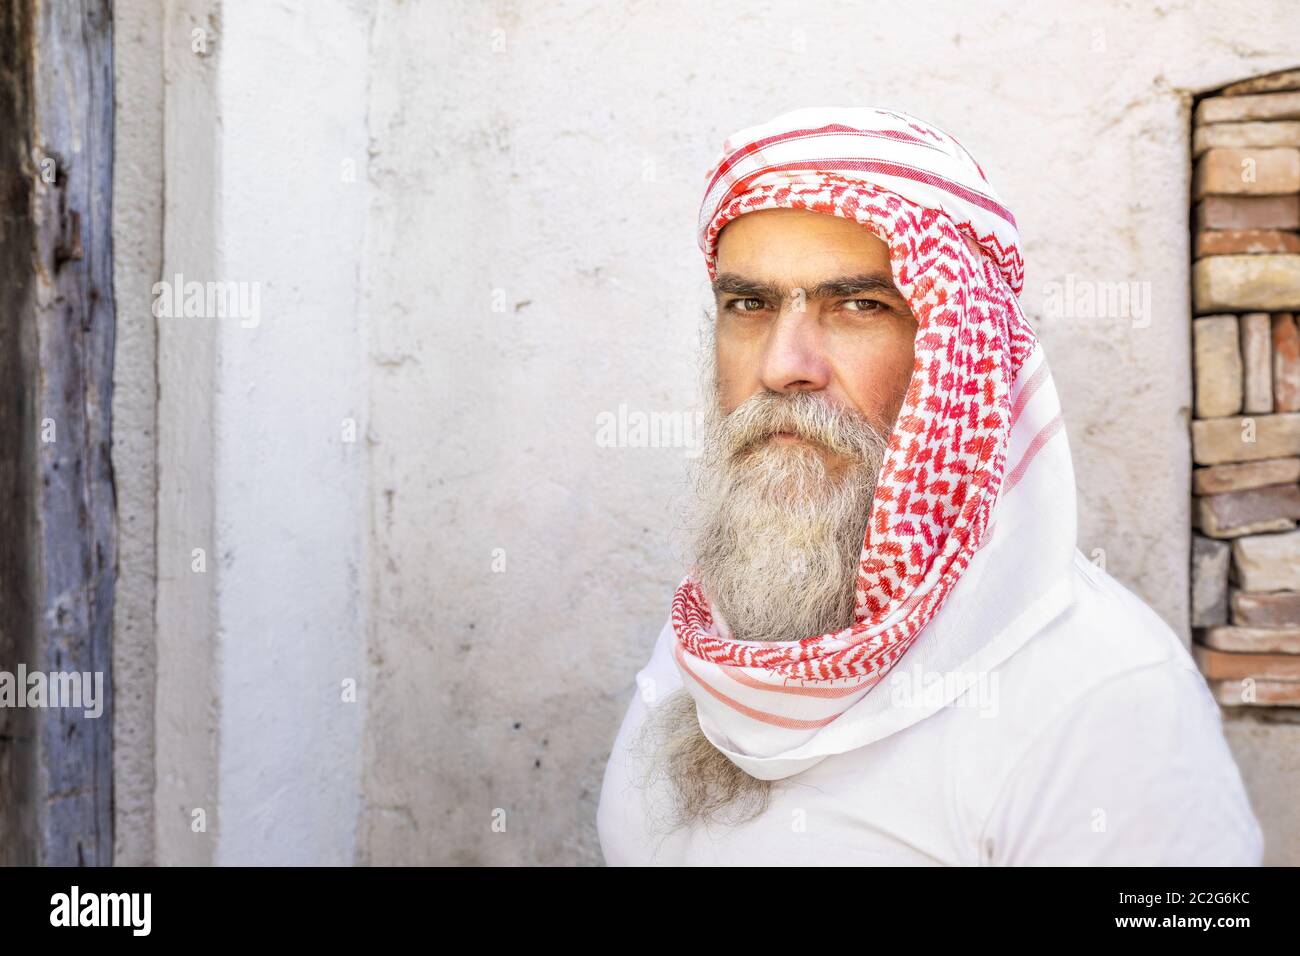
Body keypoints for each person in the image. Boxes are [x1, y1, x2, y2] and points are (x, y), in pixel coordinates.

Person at [595, 107, 1264, 866]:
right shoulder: (710, 623)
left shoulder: (1108, 700)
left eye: (859, 305)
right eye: (749, 305)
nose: (783, 364)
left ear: (959, 356)